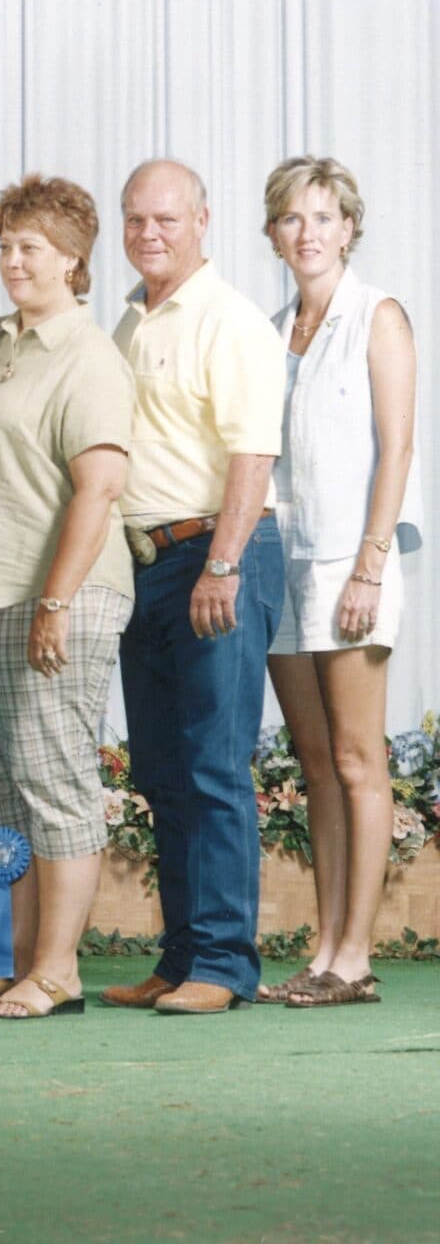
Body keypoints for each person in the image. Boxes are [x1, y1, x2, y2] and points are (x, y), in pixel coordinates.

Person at [0, 177, 135, 1019]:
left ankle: (59, 970)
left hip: (59, 590)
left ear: (73, 260)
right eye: (7, 245)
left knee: (54, 778)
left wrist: (55, 601)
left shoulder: (90, 356)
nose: (14, 261)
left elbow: (98, 488)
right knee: (1, 781)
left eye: (33, 248)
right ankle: (17, 959)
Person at [102, 159, 286, 1016]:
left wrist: (223, 562)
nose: (149, 234)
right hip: (143, 562)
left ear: (203, 221)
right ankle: (178, 962)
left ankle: (222, 964)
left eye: (166, 219)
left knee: (214, 765)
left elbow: (253, 453)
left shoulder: (231, 320)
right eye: (136, 219)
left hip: (216, 550)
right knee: (163, 770)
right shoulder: (129, 321)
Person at [258, 157, 421, 1008]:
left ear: (349, 227)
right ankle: (324, 947)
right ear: (275, 233)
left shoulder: (377, 315)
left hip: (349, 562)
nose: (309, 230)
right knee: (317, 760)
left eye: (324, 216)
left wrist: (369, 563)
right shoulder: (274, 325)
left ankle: (355, 954)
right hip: (281, 562)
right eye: (292, 217)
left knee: (359, 758)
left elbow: (396, 447)